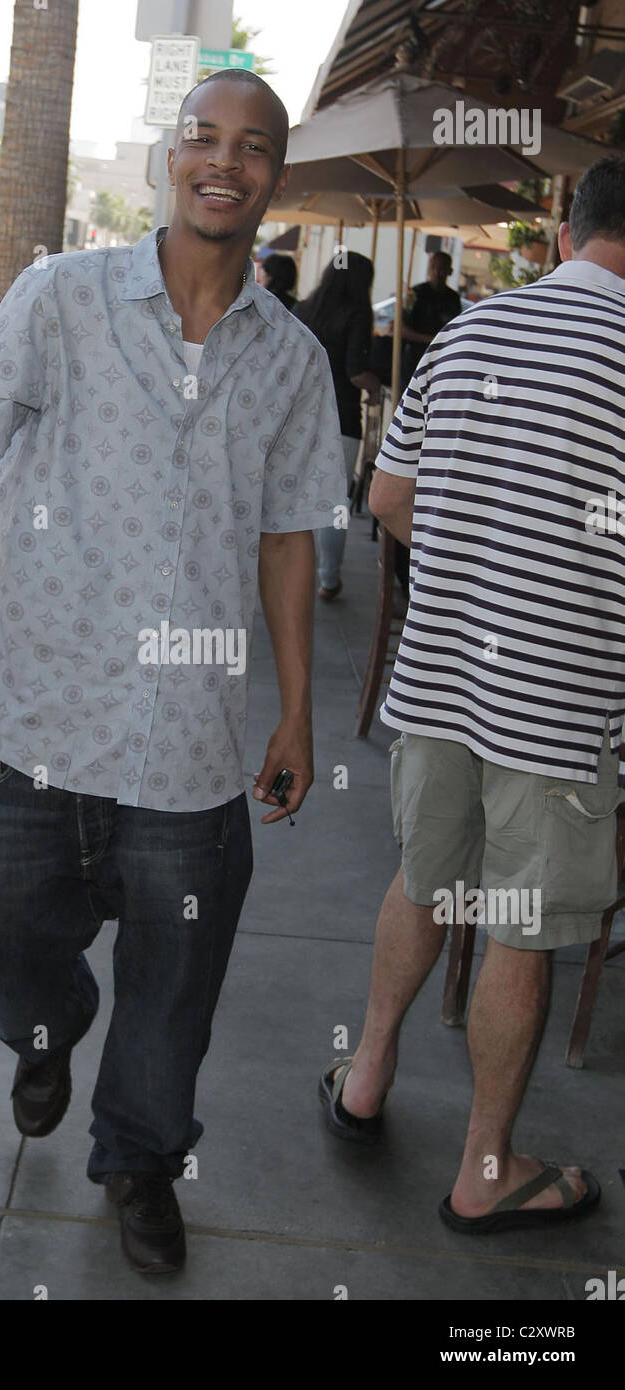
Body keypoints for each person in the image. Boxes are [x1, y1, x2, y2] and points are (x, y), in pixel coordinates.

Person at [0, 69, 343, 1275]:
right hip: (41, 714)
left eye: (251, 147)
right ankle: (46, 1030)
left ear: (273, 176)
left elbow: (285, 539)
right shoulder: (62, 295)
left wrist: (297, 711)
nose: (224, 161)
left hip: (190, 743)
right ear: (169, 155)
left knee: (176, 980)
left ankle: (140, 1160)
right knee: (10, 923)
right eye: (204, 137)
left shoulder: (291, 359)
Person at [319, 155, 625, 1234]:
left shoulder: (467, 332)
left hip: (441, 676)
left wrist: (476, 568)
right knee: (519, 932)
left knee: (424, 879)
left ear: (566, 233)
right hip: (563, 702)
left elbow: (388, 496)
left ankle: (364, 1078)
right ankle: (484, 1172)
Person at [294, 252, 380, 600]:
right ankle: (328, 579)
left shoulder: (304, 309)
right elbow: (354, 371)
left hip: (297, 414)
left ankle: (289, 572)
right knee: (333, 503)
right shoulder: (357, 314)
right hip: (341, 417)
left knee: (294, 497)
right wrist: (375, 388)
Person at [398, 249, 462, 386]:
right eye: (433, 267)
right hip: (413, 358)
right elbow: (402, 329)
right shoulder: (415, 293)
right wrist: (430, 339)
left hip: (438, 360)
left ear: (450, 271)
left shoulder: (453, 299)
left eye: (442, 268)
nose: (437, 272)